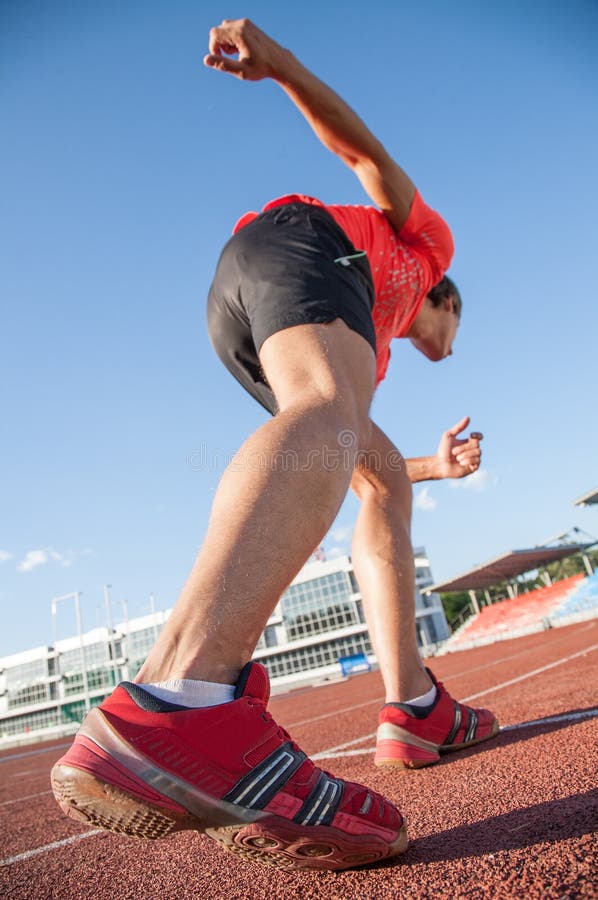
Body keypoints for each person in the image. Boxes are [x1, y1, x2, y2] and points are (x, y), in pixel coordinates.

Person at [51, 19, 497, 872]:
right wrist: (284, 67)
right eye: (450, 332)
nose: (443, 349)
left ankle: (410, 705)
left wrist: (437, 466)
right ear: (444, 300)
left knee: (374, 476)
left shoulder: (369, 340)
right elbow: (369, 159)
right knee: (331, 410)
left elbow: (349, 451)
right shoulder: (425, 248)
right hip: (299, 244)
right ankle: (180, 696)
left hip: (243, 305)